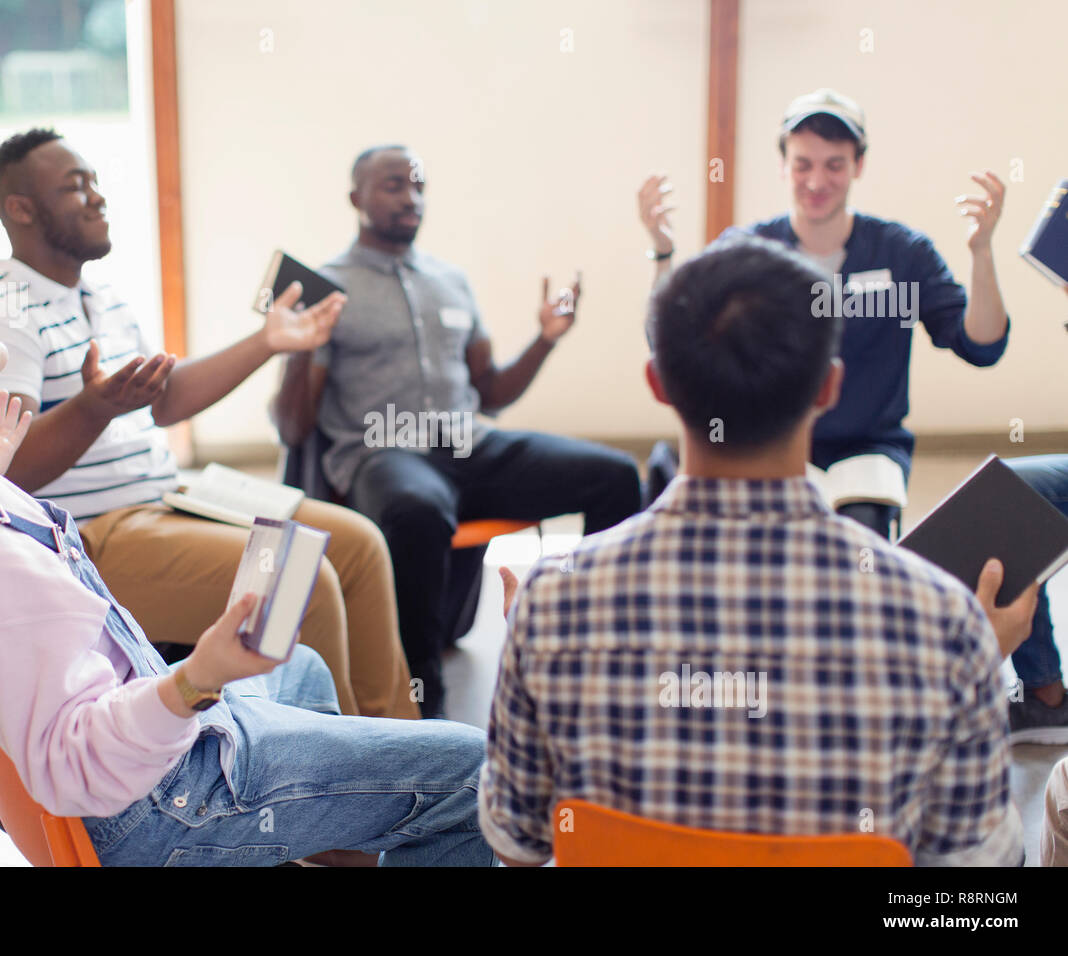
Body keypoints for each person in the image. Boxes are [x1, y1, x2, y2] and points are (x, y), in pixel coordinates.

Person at [0, 239, 493, 866]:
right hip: (160, 805)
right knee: (471, 772)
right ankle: (295, 826)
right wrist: (200, 676)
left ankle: (316, 834)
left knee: (300, 666)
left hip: (125, 750)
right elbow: (75, 767)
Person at [478, 236, 1035, 866]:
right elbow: (972, 885)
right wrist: (976, 668)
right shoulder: (945, 623)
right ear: (828, 388)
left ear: (657, 383)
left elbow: (516, 842)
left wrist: (537, 651)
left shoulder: (552, 603)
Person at [0, 128, 418, 720]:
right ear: (21, 208)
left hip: (168, 497)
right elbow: (7, 467)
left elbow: (166, 400)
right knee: (300, 583)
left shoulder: (101, 297)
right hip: (94, 534)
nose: (98, 197)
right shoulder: (6, 309)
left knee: (361, 546)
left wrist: (268, 340)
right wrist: (94, 407)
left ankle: (397, 747)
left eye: (97, 182)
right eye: (75, 187)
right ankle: (337, 773)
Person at [274, 144, 642, 717]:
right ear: (356, 198)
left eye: (417, 185)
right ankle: (425, 711)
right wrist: (299, 348)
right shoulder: (328, 288)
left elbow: (491, 391)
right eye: (393, 185)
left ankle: (595, 667)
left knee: (616, 476)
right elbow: (294, 424)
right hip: (385, 450)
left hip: (470, 444)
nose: (410, 197)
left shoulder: (451, 281)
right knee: (415, 511)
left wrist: (546, 339)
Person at [639, 88, 1011, 540]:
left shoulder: (903, 253)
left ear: (858, 165)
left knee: (859, 538)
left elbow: (981, 346)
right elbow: (667, 340)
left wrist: (982, 253)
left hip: (868, 449)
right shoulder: (748, 251)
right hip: (765, 438)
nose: (817, 181)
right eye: (803, 164)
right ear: (783, 166)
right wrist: (662, 252)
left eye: (834, 164)